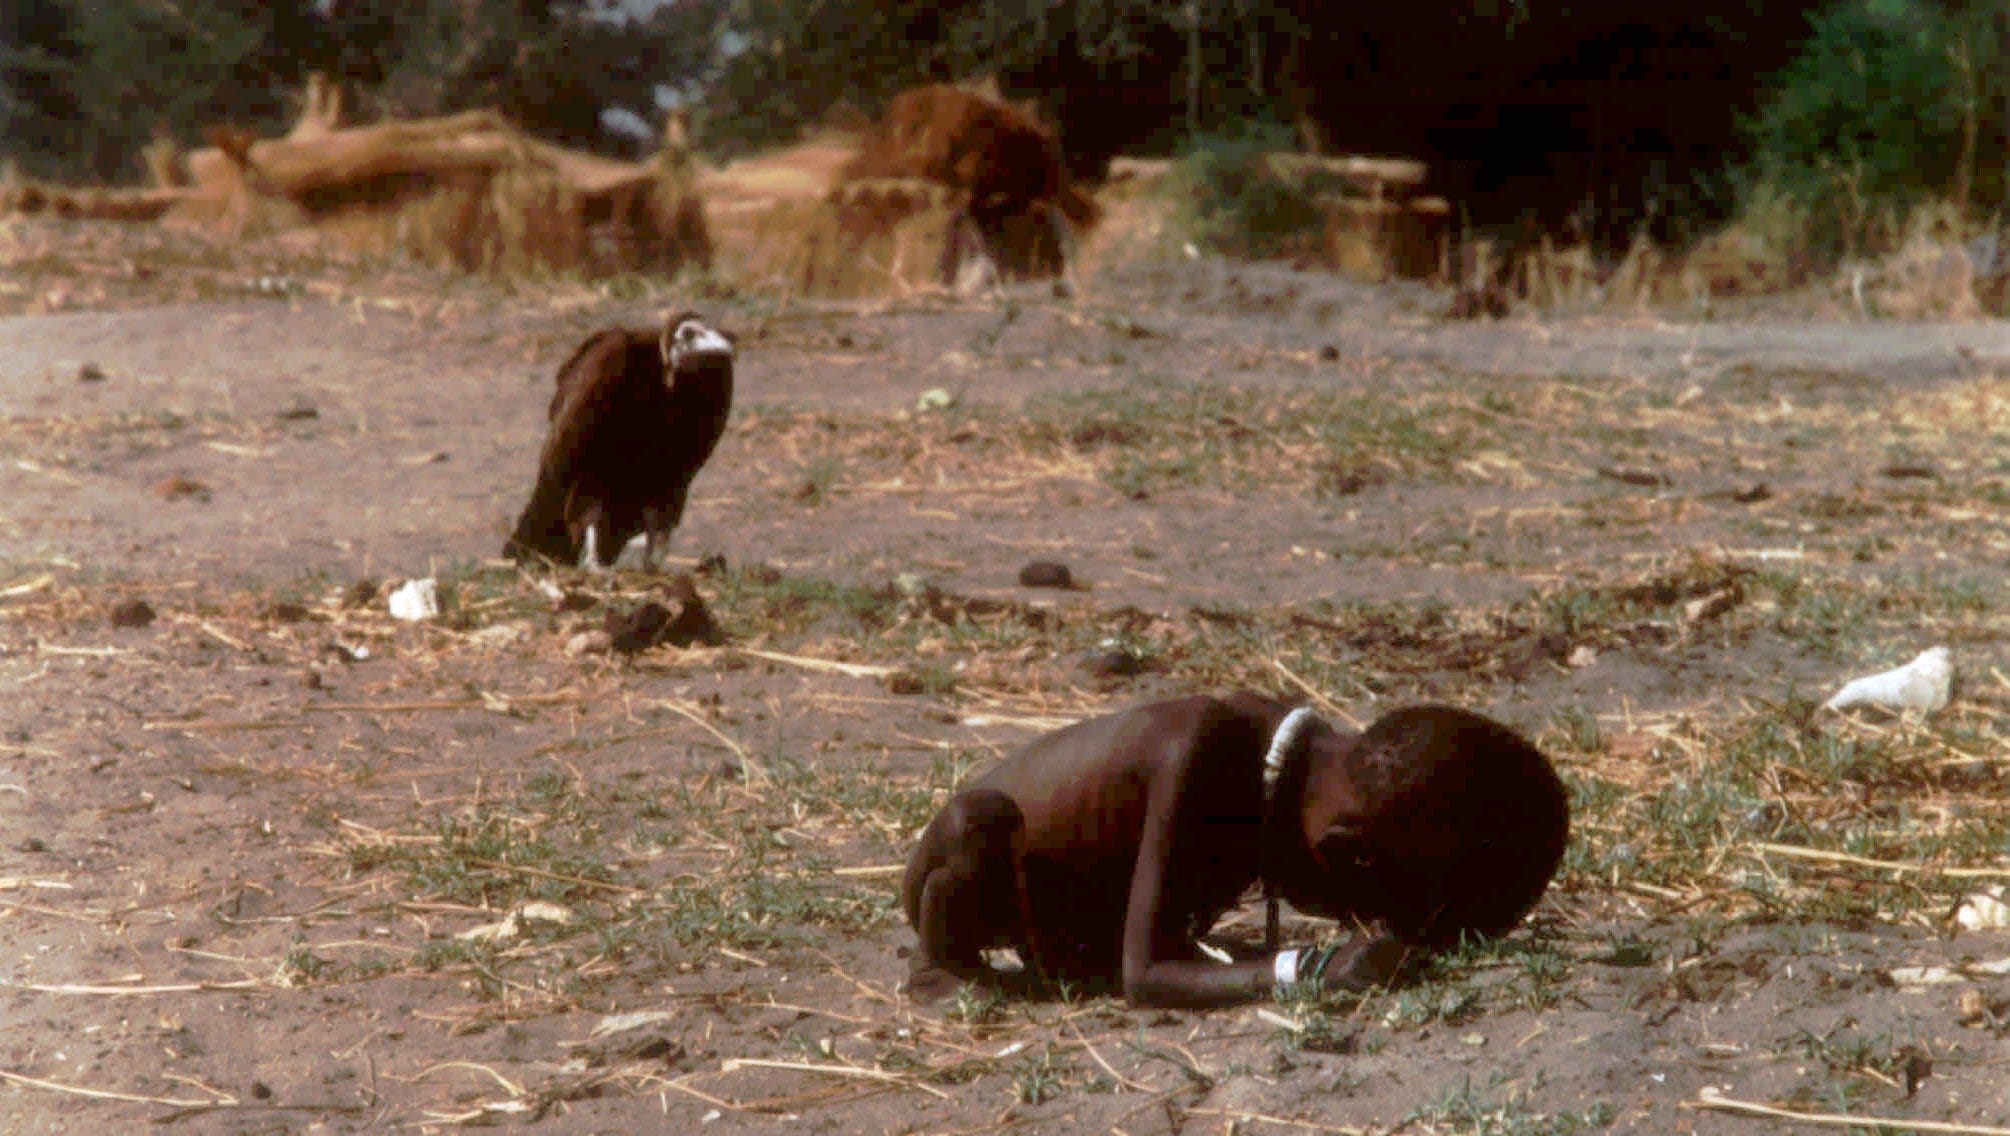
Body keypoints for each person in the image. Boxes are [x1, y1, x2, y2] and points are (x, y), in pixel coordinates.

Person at [901, 693, 1570, 1008]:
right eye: (1363, 905)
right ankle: (937, 964)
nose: (1356, 922)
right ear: (1344, 851)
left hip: (1077, 922)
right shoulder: (1206, 755)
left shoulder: (1303, 773)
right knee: (975, 826)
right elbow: (1146, 975)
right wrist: (1306, 969)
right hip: (979, 878)